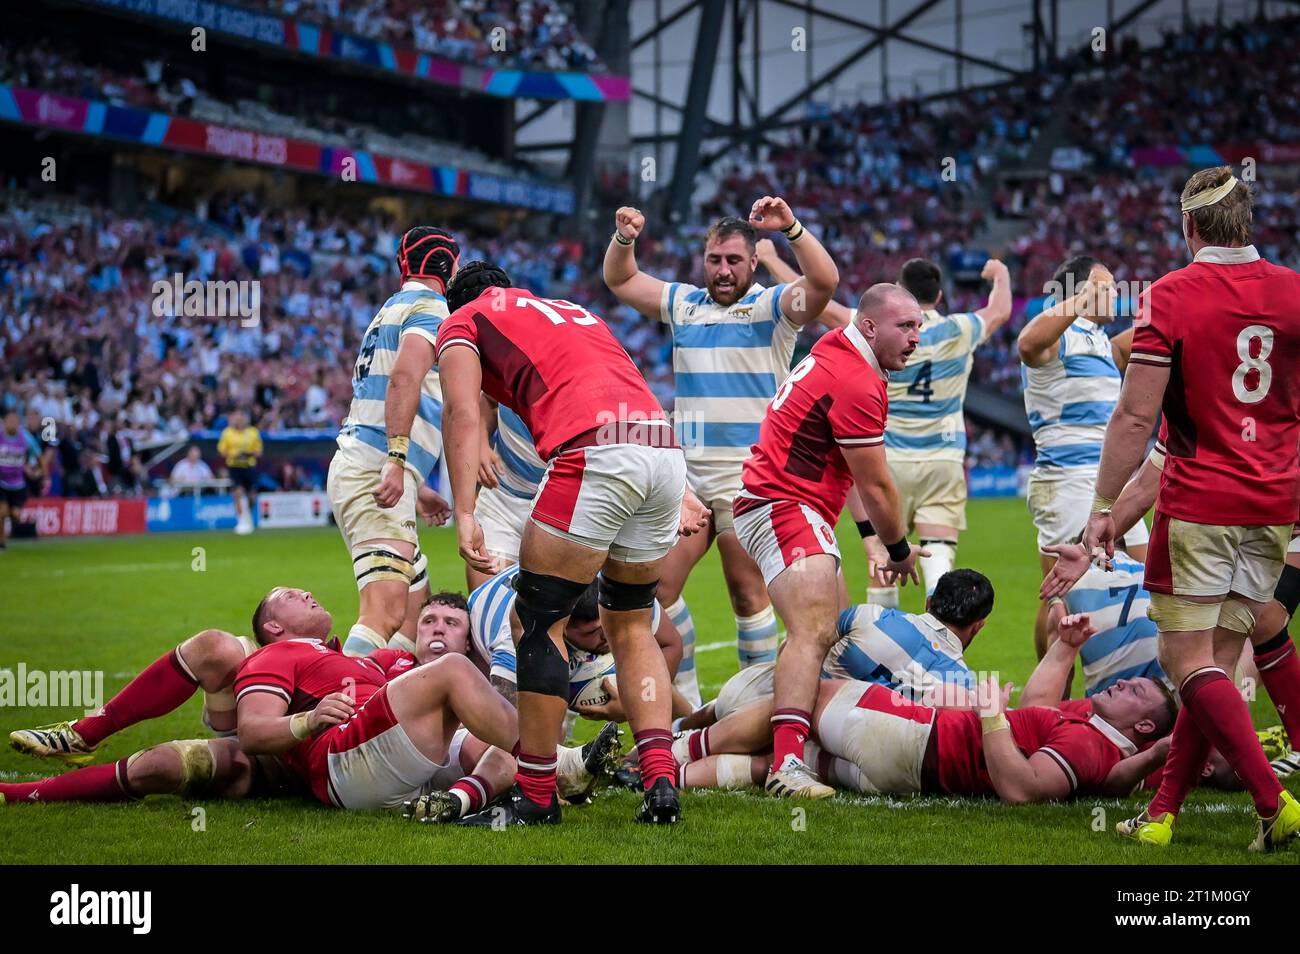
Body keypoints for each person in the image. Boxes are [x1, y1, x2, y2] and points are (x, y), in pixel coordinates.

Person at [1085, 165, 1300, 851]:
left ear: (1190, 226)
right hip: (1273, 505)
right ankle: (1162, 814)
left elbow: (1134, 416)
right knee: (1216, 668)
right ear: (1249, 221)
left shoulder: (1169, 296)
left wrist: (1101, 505)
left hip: (1201, 500)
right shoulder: (1295, 293)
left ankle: (1273, 803)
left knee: (1187, 666)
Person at [430, 260, 687, 825]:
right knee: (632, 622)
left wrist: (466, 510)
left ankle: (538, 796)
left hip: (593, 452)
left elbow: (460, 408)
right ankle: (662, 783)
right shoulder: (573, 311)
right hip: (661, 450)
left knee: (537, 620)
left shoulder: (463, 321)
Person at [603, 199, 841, 671]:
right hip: (686, 482)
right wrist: (624, 238)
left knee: (747, 591)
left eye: (734, 260)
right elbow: (621, 279)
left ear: (754, 262)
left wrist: (792, 227)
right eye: (715, 260)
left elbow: (825, 282)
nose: (724, 270)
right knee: (654, 592)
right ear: (703, 261)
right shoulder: (683, 304)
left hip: (747, 479)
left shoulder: (772, 307)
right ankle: (688, 702)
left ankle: (752, 700)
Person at [731, 283, 925, 797]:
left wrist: (867, 537)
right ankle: (786, 766)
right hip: (781, 504)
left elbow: (851, 470)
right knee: (814, 633)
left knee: (828, 638)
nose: (916, 338)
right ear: (869, 327)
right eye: (905, 327)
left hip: (788, 504)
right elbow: (878, 482)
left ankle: (700, 737)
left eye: (919, 326)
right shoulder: (858, 380)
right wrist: (899, 549)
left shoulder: (839, 349)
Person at [759, 247, 1013, 605]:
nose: (913, 335)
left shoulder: (871, 328)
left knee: (882, 560)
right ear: (938, 296)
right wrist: (1000, 274)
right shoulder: (961, 328)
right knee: (938, 553)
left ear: (898, 290)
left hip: (885, 455)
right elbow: (1000, 310)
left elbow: (816, 301)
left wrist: (771, 259)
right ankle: (937, 636)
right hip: (943, 459)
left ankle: (880, 648)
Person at [331, 225, 458, 657]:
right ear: (448, 266)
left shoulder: (390, 308)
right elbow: (405, 377)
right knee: (384, 612)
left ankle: (381, 705)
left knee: (411, 609)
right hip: (374, 463)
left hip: (363, 460)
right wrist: (398, 459)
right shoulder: (432, 306)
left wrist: (416, 483)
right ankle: (337, 714)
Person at [1017, 256, 1150, 659]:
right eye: (1106, 285)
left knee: (1148, 582)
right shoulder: (1060, 338)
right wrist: (1078, 299)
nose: (1115, 292)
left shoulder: (1102, 345)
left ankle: (1138, 680)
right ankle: (1053, 704)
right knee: (1063, 599)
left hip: (1110, 484)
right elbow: (1027, 344)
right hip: (1067, 480)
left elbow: (1150, 330)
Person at [217, 409, 262, 535]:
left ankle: (247, 516)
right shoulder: (227, 433)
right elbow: (222, 451)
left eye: (241, 418)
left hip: (249, 466)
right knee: (238, 493)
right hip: (235, 467)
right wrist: (234, 455)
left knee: (252, 495)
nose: (239, 420)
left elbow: (258, 451)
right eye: (237, 418)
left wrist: (247, 454)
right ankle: (241, 521)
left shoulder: (253, 432)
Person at [0, 410, 36, 551]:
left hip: (17, 484)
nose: (12, 423)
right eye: (10, 420)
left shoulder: (25, 437)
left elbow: (37, 454)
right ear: (4, 422)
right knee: (1, 512)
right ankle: (1, 541)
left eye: (15, 421)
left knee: (15, 515)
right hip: (1, 482)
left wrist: (42, 474)